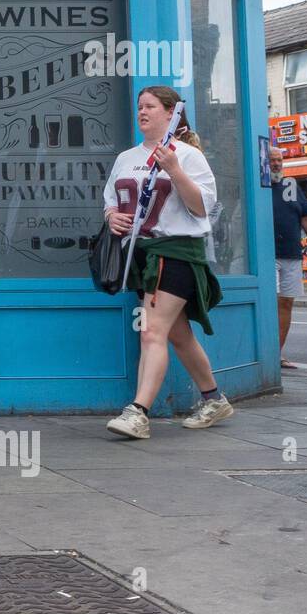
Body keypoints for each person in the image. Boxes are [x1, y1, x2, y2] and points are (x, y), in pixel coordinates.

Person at [103, 86, 232, 439]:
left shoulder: (188, 156)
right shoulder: (126, 157)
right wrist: (112, 216)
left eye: (150, 107)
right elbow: (112, 200)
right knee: (177, 334)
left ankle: (138, 411)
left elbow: (202, 207)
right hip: (141, 254)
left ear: (169, 112)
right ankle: (213, 398)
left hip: (175, 253)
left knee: (151, 331)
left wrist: (174, 169)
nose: (142, 112)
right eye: (139, 106)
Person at [269, 148, 307, 367]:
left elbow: (306, 218)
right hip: (267, 255)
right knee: (271, 303)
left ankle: (277, 354)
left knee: (286, 304)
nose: (276, 164)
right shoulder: (259, 186)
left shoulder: (291, 186)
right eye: (272, 160)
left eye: (279, 160)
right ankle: (267, 355)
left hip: (291, 254)